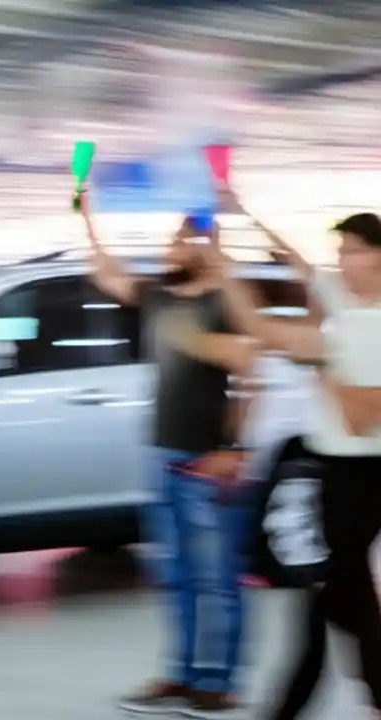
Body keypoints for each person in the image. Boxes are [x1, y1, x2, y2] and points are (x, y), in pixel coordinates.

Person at [79, 195, 253, 717]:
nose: (169, 246)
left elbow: (251, 381)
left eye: (181, 239)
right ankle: (181, 676)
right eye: (172, 238)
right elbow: (107, 271)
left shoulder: (223, 301)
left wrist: (232, 449)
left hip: (206, 462)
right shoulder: (157, 296)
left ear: (204, 248)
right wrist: (85, 213)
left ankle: (217, 683)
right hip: (163, 456)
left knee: (216, 579)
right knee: (176, 575)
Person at [207, 211, 381, 720]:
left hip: (364, 475)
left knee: (332, 597)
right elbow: (268, 314)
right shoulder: (346, 307)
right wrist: (226, 262)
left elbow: (359, 420)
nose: (340, 259)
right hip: (333, 471)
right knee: (334, 598)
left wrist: (322, 364)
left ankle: (289, 709)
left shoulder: (370, 327)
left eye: (351, 249)